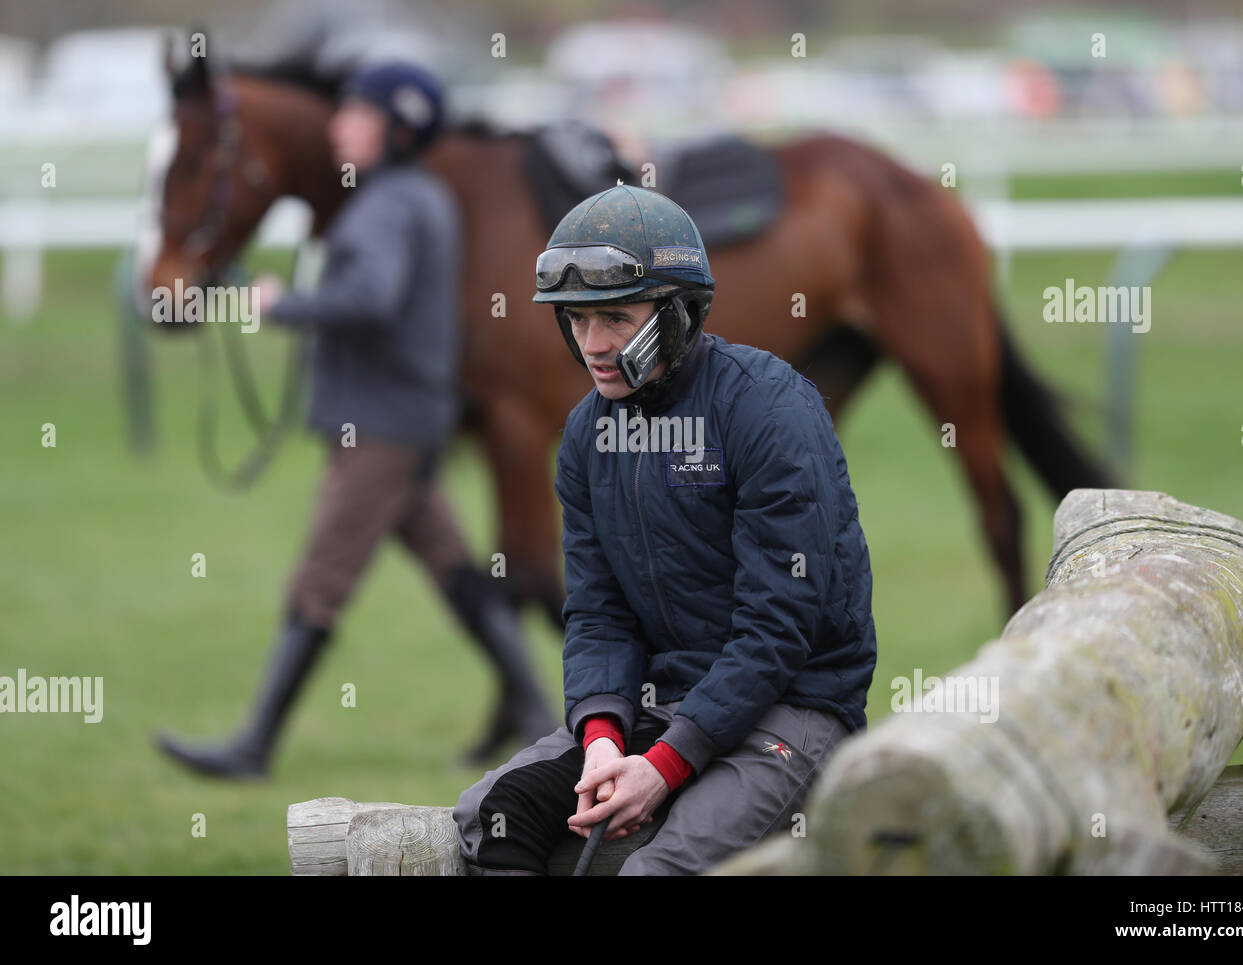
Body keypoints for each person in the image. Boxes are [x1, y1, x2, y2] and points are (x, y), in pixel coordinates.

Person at [452, 184, 877, 874]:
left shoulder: (770, 409)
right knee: (489, 817)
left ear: (678, 313)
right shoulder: (587, 434)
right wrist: (599, 740)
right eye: (577, 319)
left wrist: (666, 764)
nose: (592, 344)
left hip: (793, 708)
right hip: (658, 705)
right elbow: (597, 612)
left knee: (652, 868)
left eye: (615, 318)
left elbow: (778, 625)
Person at [157, 62, 556, 778]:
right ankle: (533, 710)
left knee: (320, 580)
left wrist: (281, 306)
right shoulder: (400, 197)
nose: (339, 126)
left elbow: (372, 297)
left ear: (396, 130)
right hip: (400, 419)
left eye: (357, 116)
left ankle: (252, 746)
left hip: (381, 429)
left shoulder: (390, 204)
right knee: (455, 569)